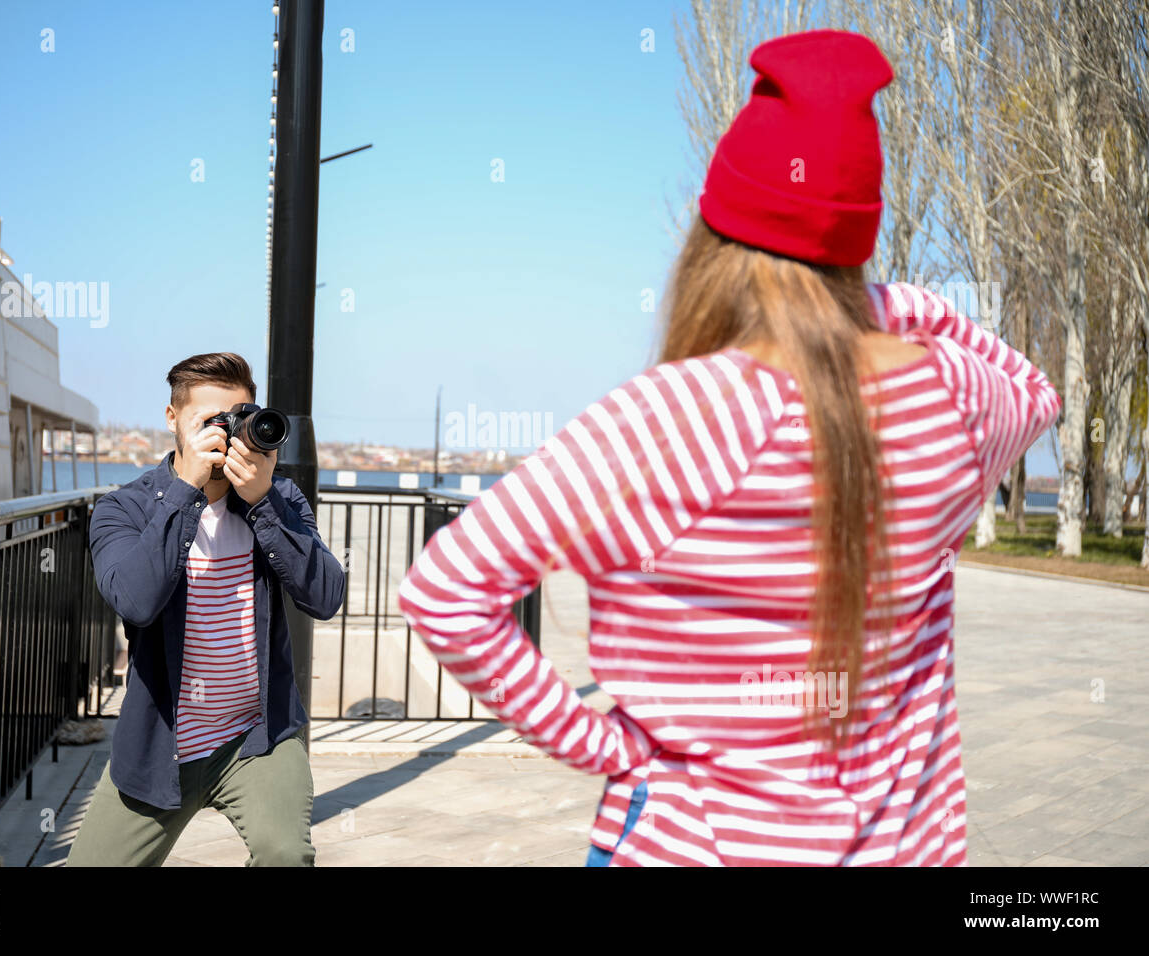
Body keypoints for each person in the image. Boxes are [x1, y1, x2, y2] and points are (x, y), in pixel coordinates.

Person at [396, 29, 1061, 866]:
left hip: (692, 844)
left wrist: (609, 750)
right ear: (857, 247)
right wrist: (881, 303)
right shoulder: (952, 400)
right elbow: (1038, 392)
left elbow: (446, 591)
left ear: (712, 239)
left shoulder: (674, 418)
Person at [67, 352, 346, 866]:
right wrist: (185, 492)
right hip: (159, 745)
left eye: (236, 418)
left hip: (255, 738)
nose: (226, 435)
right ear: (172, 420)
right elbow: (136, 601)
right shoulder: (123, 508)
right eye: (209, 423)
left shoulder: (277, 497)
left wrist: (262, 502)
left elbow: (326, 597)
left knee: (284, 853)